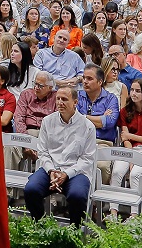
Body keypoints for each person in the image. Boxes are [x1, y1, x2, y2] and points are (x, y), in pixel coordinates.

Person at [23, 85, 96, 222]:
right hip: (51, 168)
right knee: (31, 189)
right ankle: (40, 225)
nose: (60, 103)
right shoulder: (48, 121)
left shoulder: (88, 126)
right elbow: (43, 152)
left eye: (64, 99)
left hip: (75, 172)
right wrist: (51, 170)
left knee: (77, 195)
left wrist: (66, 174)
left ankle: (75, 230)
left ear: (75, 102)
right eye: (58, 99)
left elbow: (87, 158)